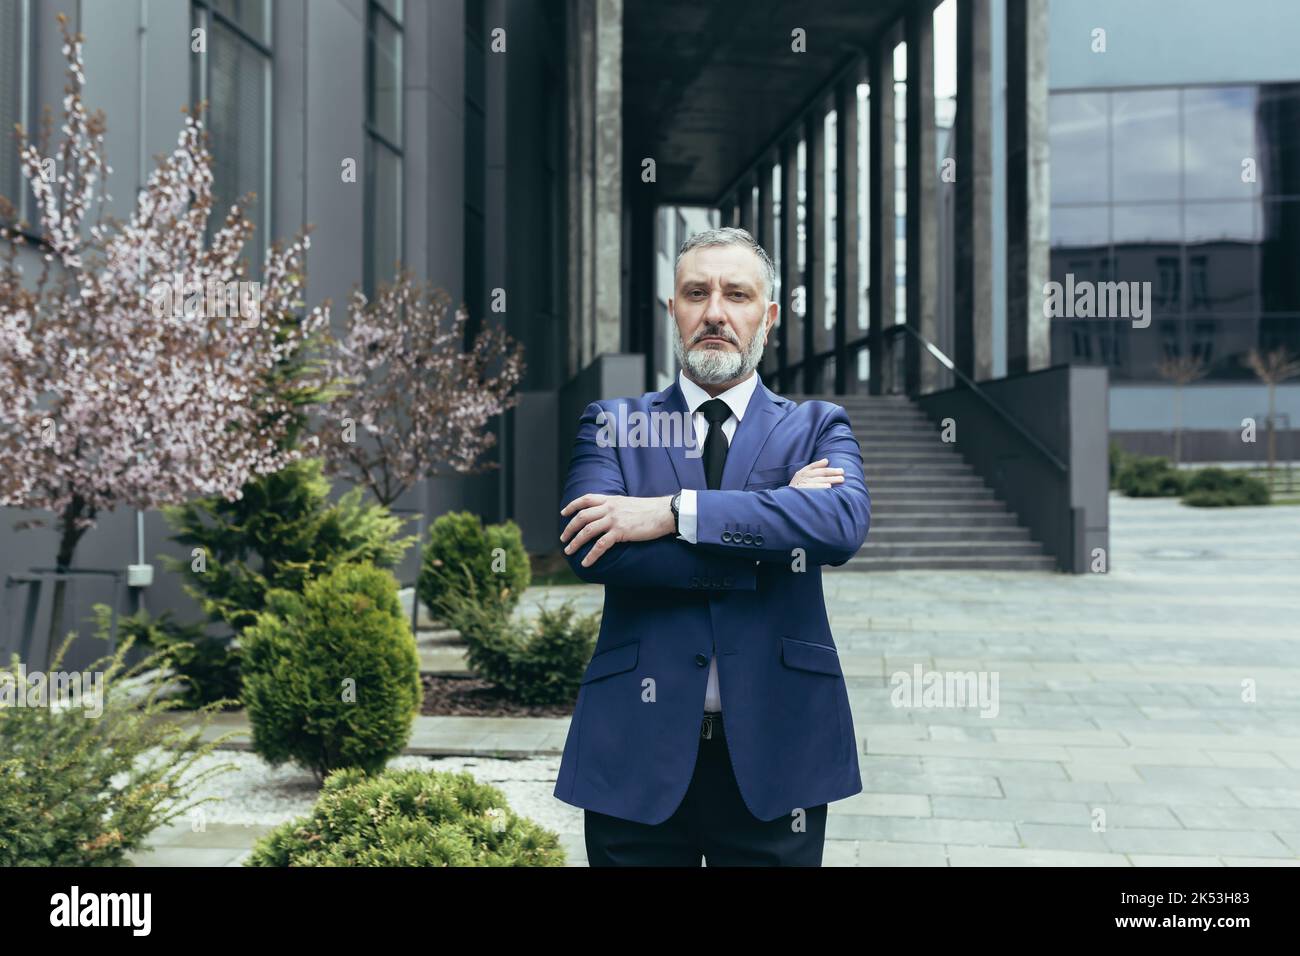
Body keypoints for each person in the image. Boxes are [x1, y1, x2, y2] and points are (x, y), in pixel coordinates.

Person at [553, 226, 871, 866]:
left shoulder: (816, 426)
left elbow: (838, 526)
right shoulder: (615, 424)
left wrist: (672, 512)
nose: (715, 313)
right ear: (673, 309)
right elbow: (593, 549)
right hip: (634, 750)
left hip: (779, 754)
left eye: (737, 295)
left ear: (768, 316)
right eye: (697, 294)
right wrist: (773, 530)